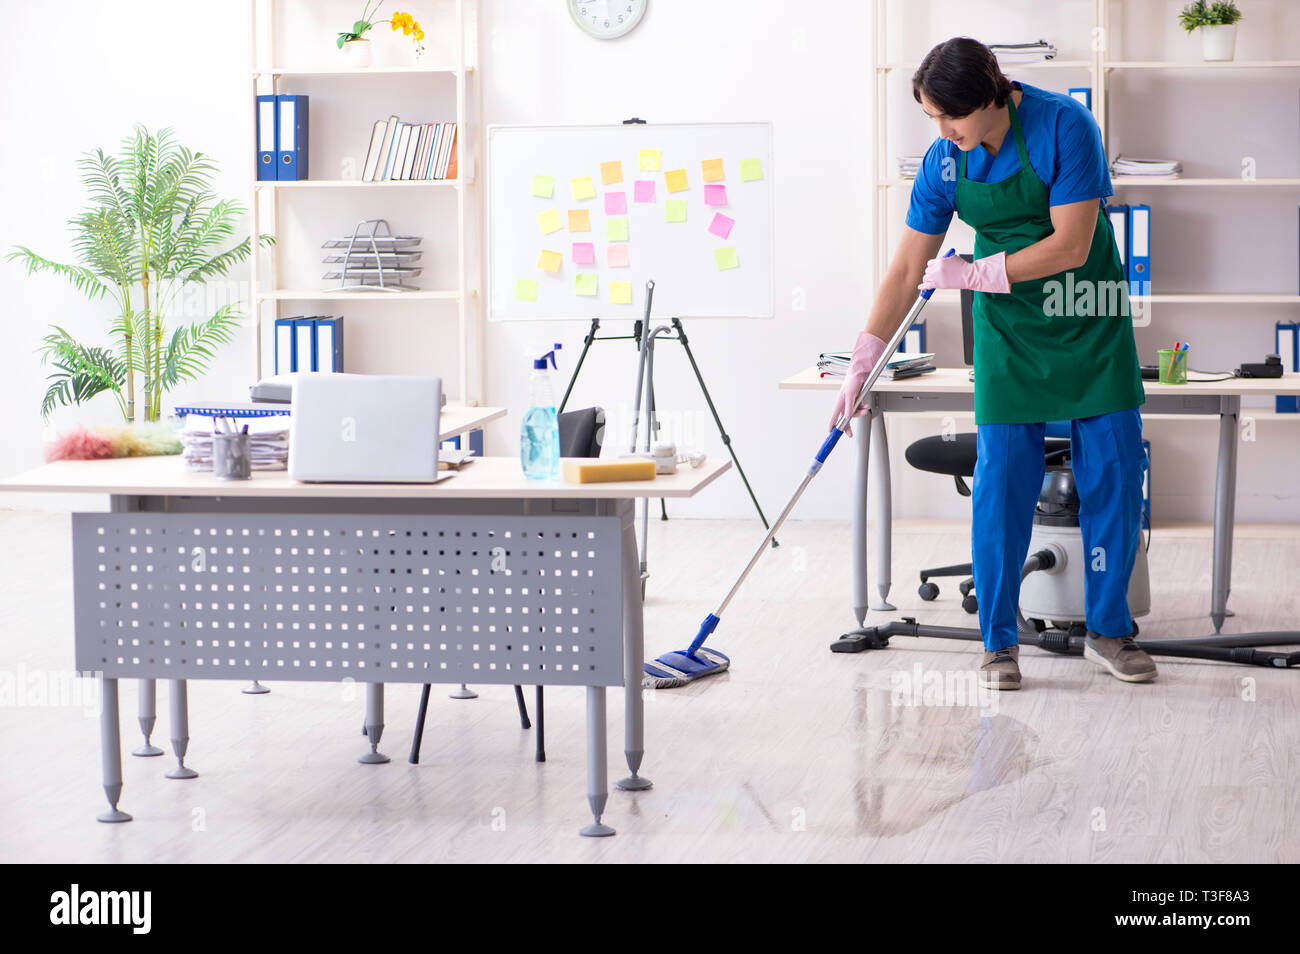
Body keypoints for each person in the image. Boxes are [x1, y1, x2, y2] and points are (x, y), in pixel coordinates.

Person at [830, 37, 1153, 690]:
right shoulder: (944, 161)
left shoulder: (1066, 127)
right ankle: (998, 642)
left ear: (991, 98)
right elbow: (906, 268)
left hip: (1086, 314)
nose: (943, 132)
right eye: (931, 119)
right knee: (1002, 484)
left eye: (951, 117)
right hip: (1009, 334)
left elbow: (1071, 244)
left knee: (1114, 476)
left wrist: (974, 270)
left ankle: (1109, 631)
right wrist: (865, 353)